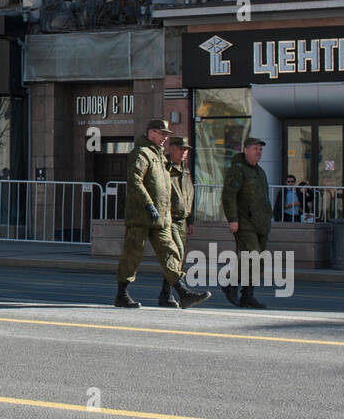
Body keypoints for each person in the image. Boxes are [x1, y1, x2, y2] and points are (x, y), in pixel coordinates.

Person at [114, 120, 211, 310]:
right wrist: (149, 204)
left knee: (170, 252)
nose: (165, 137)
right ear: (151, 133)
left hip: (161, 217)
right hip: (141, 216)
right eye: (162, 133)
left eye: (166, 134)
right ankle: (121, 294)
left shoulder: (160, 158)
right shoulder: (141, 153)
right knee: (132, 254)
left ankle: (182, 292)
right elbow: (135, 180)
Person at [221, 136, 273, 308]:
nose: (259, 152)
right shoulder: (238, 169)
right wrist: (233, 219)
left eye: (260, 149)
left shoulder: (259, 171)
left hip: (261, 224)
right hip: (245, 223)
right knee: (252, 256)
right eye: (255, 148)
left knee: (258, 260)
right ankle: (232, 286)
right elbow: (229, 195)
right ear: (246, 150)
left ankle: (247, 294)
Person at [159, 135, 195, 308]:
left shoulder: (185, 170)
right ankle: (182, 292)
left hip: (182, 220)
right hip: (169, 218)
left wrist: (191, 219)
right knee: (175, 254)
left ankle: (166, 294)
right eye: (181, 149)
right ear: (171, 149)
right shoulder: (164, 167)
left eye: (186, 150)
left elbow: (189, 195)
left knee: (178, 259)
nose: (184, 153)